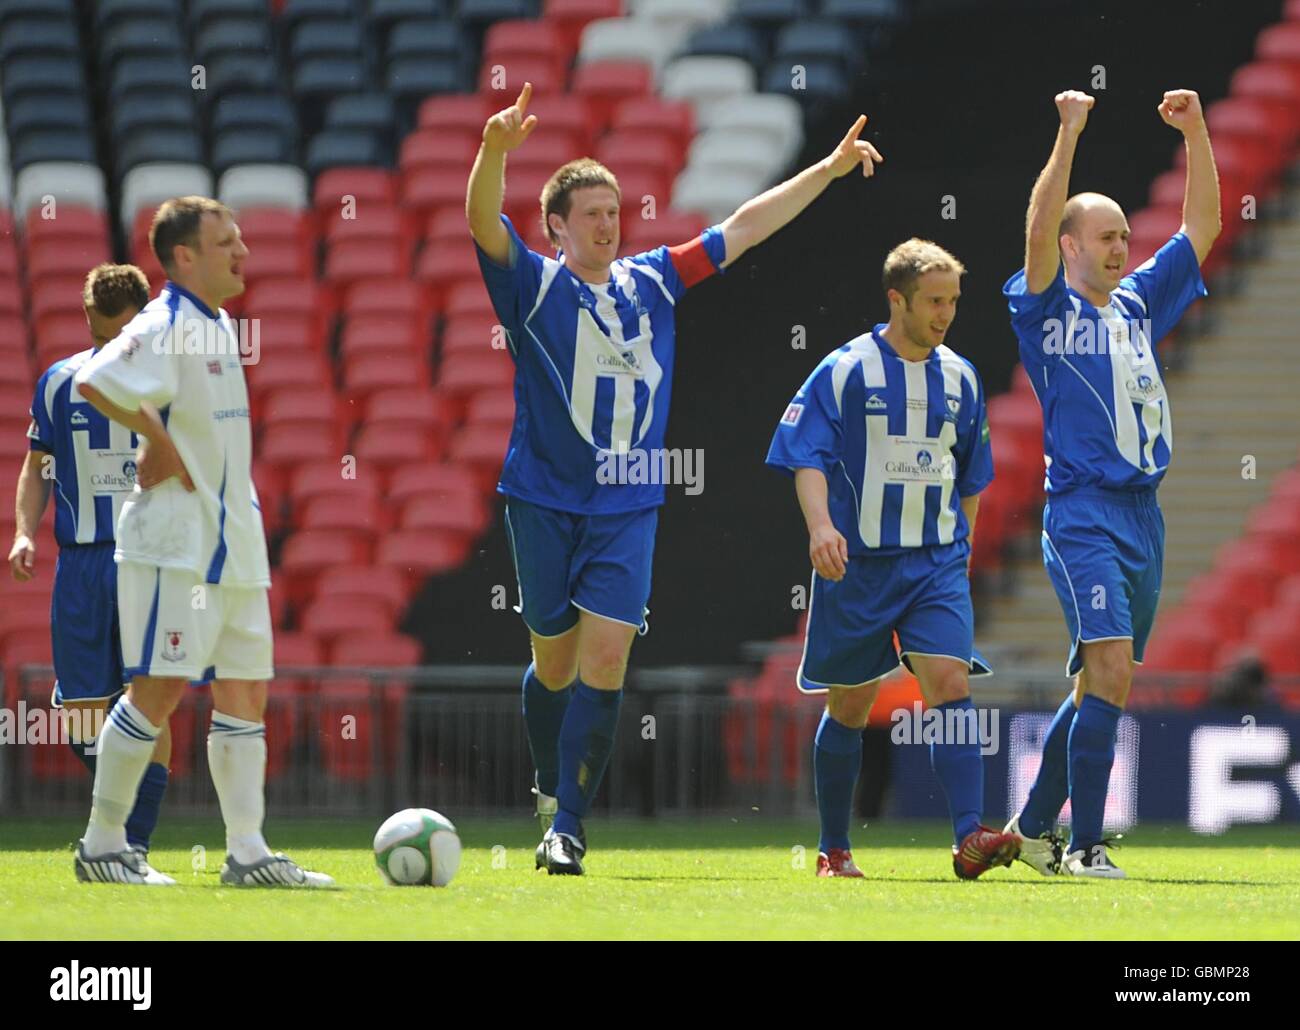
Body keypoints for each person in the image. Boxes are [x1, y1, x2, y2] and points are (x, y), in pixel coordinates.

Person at [467, 82, 883, 875]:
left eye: (613, 211)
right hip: (544, 500)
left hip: (630, 503)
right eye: (590, 214)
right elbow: (482, 222)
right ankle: (547, 781)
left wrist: (825, 172)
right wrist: (493, 151)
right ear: (555, 226)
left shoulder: (652, 280)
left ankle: (570, 827)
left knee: (605, 662)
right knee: (553, 664)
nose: (607, 224)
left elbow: (742, 230)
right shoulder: (534, 286)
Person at [71, 196, 332, 887]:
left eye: (240, 238)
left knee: (245, 696)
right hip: (175, 548)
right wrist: (157, 440)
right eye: (226, 242)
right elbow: (92, 379)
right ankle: (102, 845)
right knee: (156, 694)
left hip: (235, 546)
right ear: (185, 256)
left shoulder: (215, 325)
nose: (242, 251)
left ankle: (247, 853)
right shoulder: (164, 322)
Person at [1003, 90, 1220, 878]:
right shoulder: (1044, 311)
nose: (1123, 246)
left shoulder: (1135, 304)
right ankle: (1085, 847)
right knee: (1113, 671)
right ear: (1069, 247)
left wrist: (1196, 132)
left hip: (1143, 516)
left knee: (1105, 676)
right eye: (1106, 236)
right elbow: (1034, 228)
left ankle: (1028, 831)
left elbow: (1202, 228)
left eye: (1126, 235)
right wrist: (1067, 132)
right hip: (1084, 512)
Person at [767, 238, 1017, 879]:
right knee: (849, 707)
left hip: (934, 564)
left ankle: (968, 838)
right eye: (934, 301)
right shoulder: (845, 369)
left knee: (951, 685)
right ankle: (833, 847)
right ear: (897, 299)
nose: (946, 314)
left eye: (954, 301)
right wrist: (820, 528)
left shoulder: (961, 377)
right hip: (858, 566)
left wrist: (958, 553)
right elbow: (805, 457)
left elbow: (972, 479)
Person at [9, 263, 173, 870]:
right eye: (104, 339)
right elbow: (36, 465)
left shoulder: (169, 381)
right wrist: (24, 533)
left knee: (149, 699)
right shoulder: (59, 382)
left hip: (148, 558)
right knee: (81, 720)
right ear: (87, 323)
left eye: (124, 339)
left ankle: (132, 849)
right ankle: (116, 827)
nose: (114, 353)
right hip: (80, 567)